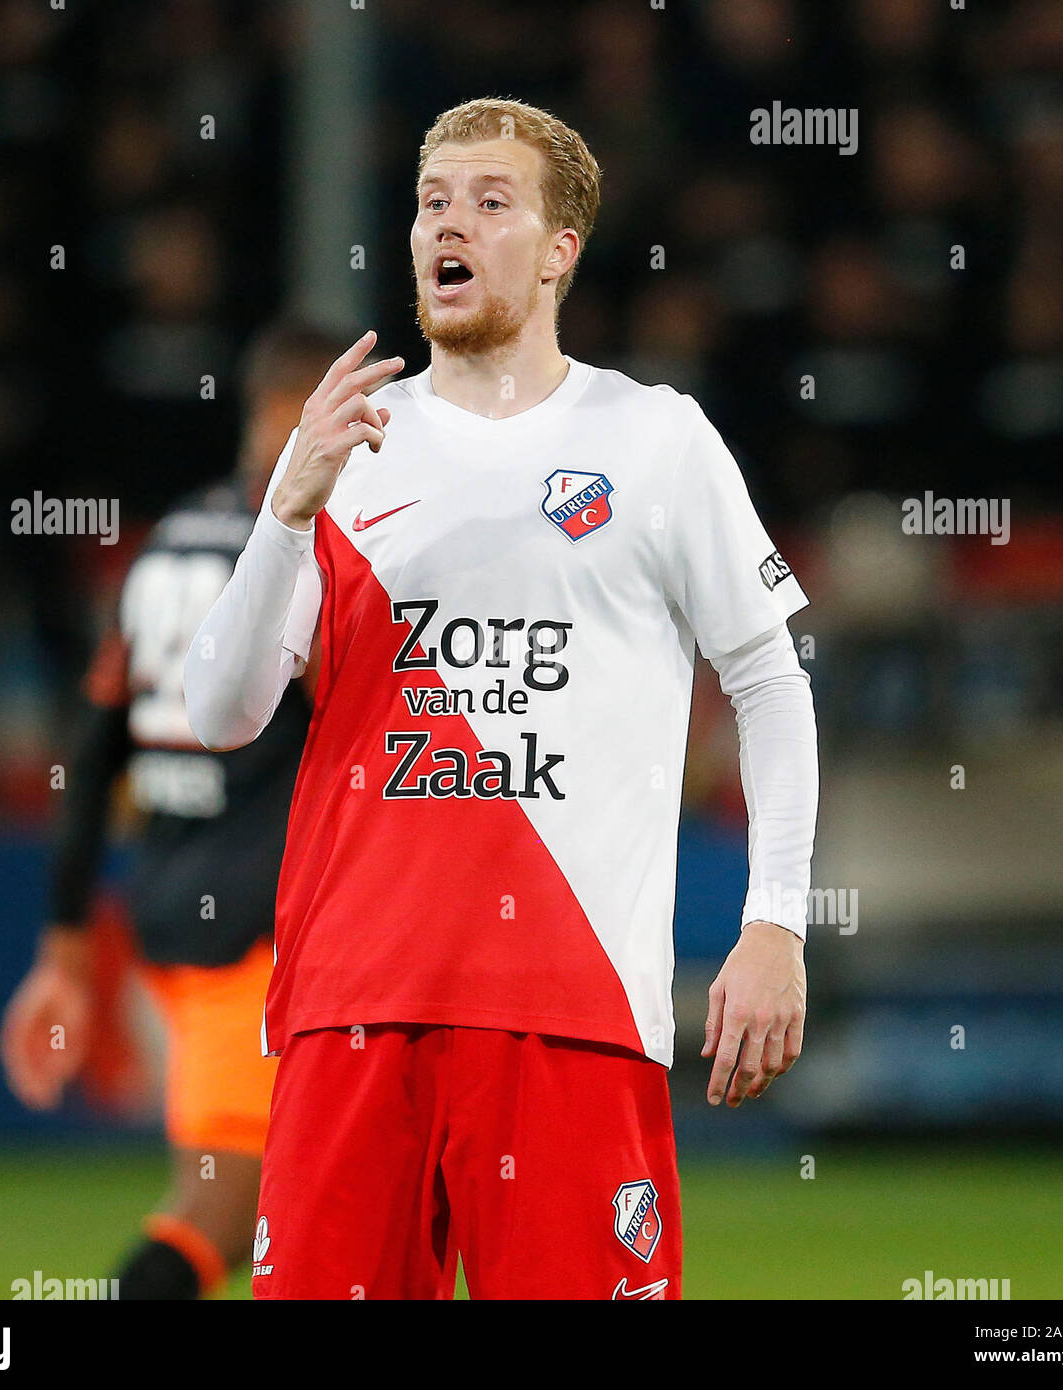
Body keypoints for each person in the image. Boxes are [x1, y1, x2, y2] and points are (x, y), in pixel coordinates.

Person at [184, 99, 819, 1301]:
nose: (448, 227)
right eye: (431, 203)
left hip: (567, 1004)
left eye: (488, 202)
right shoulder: (348, 444)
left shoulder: (654, 438)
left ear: (559, 247)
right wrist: (287, 506)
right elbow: (221, 712)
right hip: (350, 1004)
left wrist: (774, 919)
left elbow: (767, 679)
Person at [0, 324, 339, 1298]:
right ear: (287, 412)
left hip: (174, 908)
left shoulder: (166, 547)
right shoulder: (307, 556)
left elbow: (91, 749)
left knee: (286, 1208)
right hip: (266, 930)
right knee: (229, 1207)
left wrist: (64, 950)